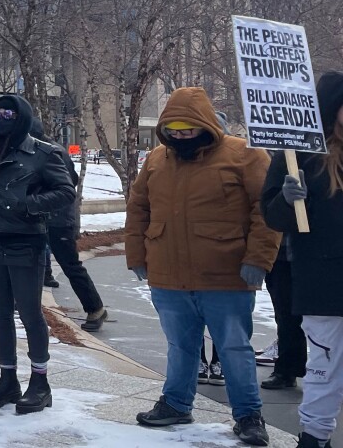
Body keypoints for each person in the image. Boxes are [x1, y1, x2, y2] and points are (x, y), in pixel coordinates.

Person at [126, 87, 280, 446]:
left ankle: (248, 415)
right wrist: (137, 256)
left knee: (234, 348)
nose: (180, 136)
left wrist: (258, 259)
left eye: (187, 129)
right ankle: (176, 403)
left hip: (225, 273)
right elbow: (138, 209)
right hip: (168, 274)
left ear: (205, 124)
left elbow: (266, 210)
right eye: (173, 130)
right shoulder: (156, 159)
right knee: (180, 345)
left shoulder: (245, 155)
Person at [0, 95, 75, 414]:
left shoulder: (43, 153)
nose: (2, 118)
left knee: (30, 313)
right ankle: (7, 379)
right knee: (0, 314)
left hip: (25, 242)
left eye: (9, 113)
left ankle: (39, 381)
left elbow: (66, 191)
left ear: (23, 117)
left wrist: (29, 206)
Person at [262, 71, 343, 448]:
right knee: (325, 369)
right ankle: (314, 437)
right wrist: (287, 199)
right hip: (324, 283)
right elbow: (273, 217)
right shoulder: (298, 156)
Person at [30, 120, 109, 332]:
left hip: (57, 218)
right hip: (40, 217)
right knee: (25, 262)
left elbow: (67, 183)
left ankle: (96, 308)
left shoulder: (50, 152)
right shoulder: (40, 150)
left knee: (70, 265)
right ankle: (17, 306)